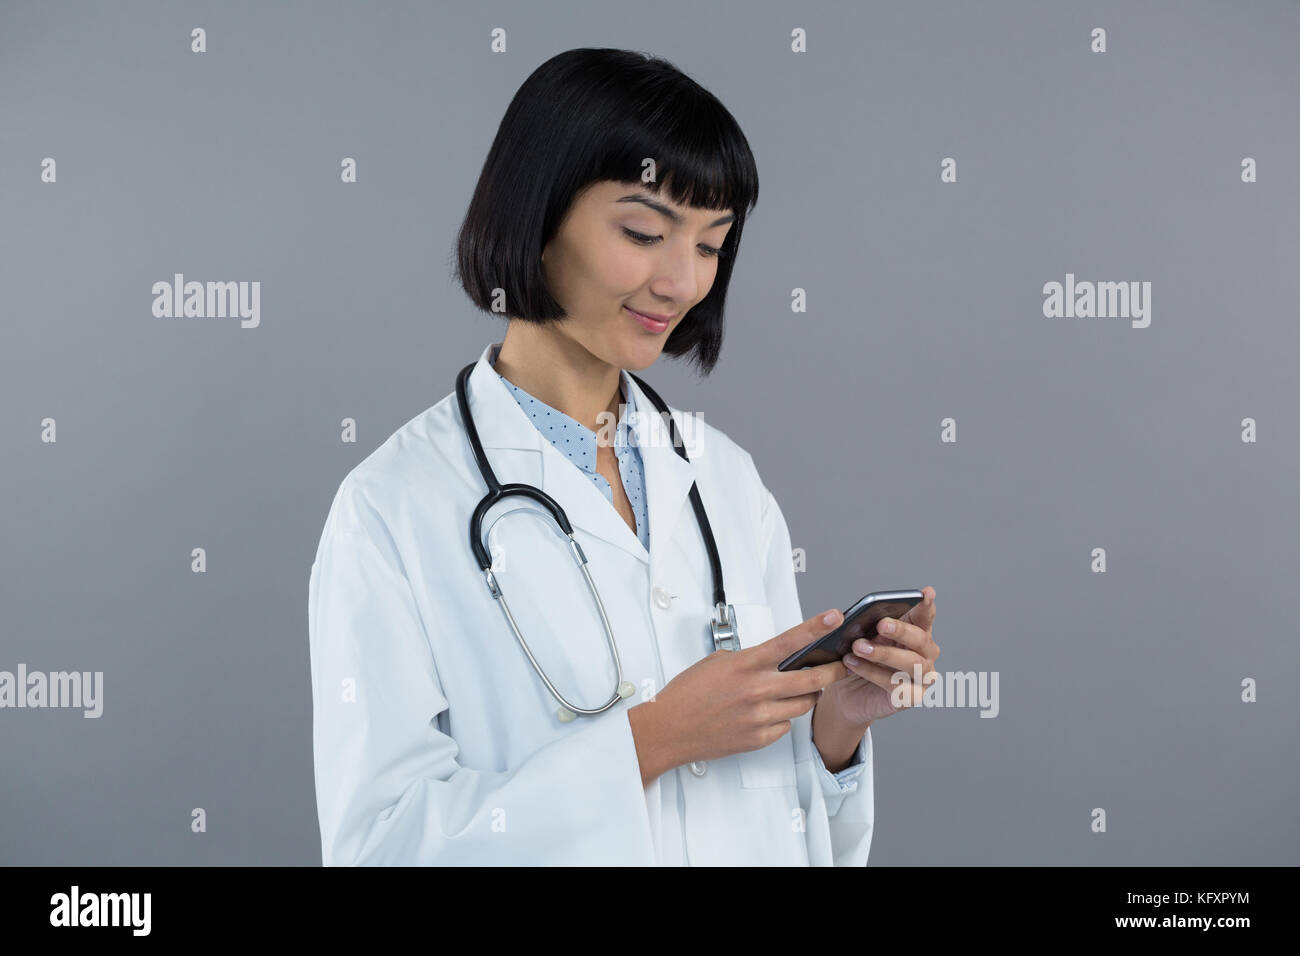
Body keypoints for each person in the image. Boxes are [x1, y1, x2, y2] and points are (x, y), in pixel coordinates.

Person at [308, 47, 940, 866]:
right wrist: (650, 741)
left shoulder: (725, 484)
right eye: (644, 231)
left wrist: (836, 726)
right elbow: (379, 847)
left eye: (712, 246)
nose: (681, 282)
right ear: (536, 214)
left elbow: (786, 826)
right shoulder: (391, 508)